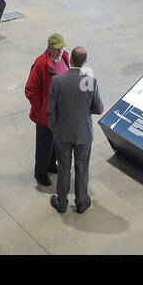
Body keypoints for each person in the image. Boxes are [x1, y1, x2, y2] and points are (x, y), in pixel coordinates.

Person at [47, 46, 103, 215]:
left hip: (62, 133)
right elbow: (98, 108)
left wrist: (54, 128)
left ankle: (62, 202)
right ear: (84, 62)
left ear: (70, 60)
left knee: (64, 167)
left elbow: (51, 110)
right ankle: (81, 202)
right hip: (83, 134)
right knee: (82, 168)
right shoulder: (89, 82)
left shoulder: (58, 80)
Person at [25, 34, 70, 187]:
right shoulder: (40, 64)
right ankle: (41, 173)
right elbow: (30, 90)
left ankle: (51, 165)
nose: (61, 51)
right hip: (46, 115)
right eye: (57, 49)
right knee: (44, 145)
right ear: (49, 48)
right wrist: (40, 110)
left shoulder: (64, 57)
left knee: (56, 141)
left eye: (62, 47)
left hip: (61, 112)